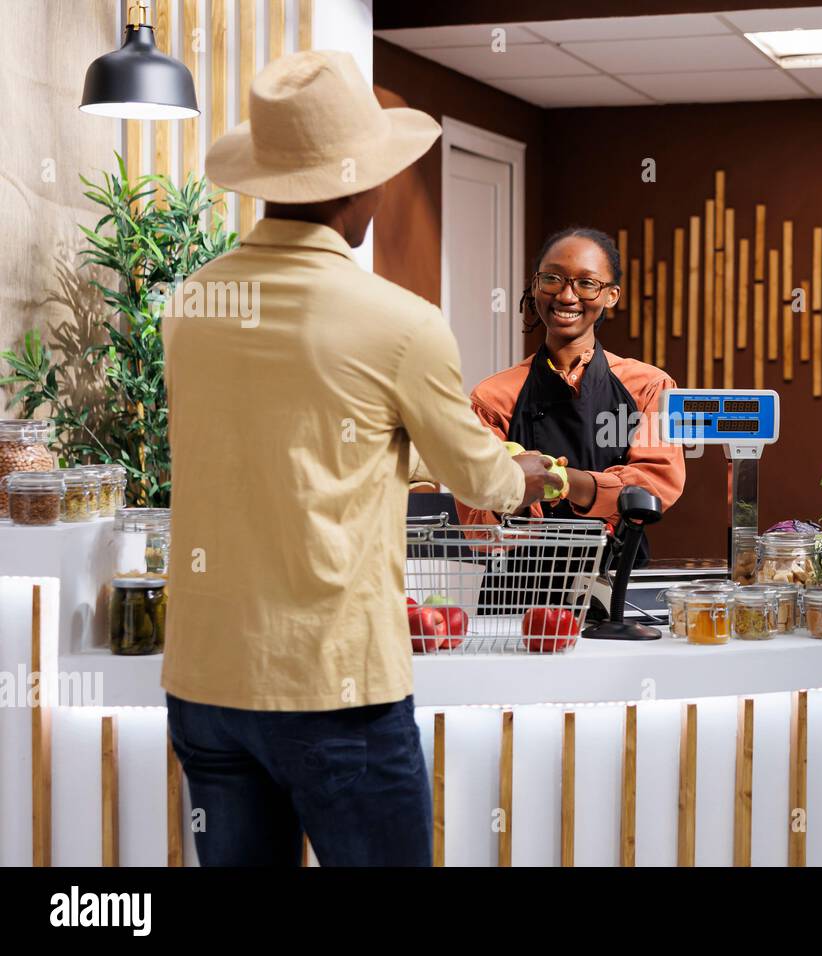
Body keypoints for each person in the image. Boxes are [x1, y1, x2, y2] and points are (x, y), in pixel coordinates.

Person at [160, 50, 560, 866]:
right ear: (355, 188)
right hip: (334, 684)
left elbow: (288, 447)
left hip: (208, 682)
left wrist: (401, 459)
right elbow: (480, 478)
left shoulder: (192, 304)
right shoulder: (401, 323)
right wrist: (523, 473)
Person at [457, 228, 686, 561]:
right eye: (552, 279)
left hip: (617, 579)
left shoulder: (650, 387)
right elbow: (478, 530)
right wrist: (515, 491)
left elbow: (652, 488)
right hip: (518, 588)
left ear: (611, 295)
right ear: (535, 286)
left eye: (586, 283)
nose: (566, 296)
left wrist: (560, 480)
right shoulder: (492, 397)